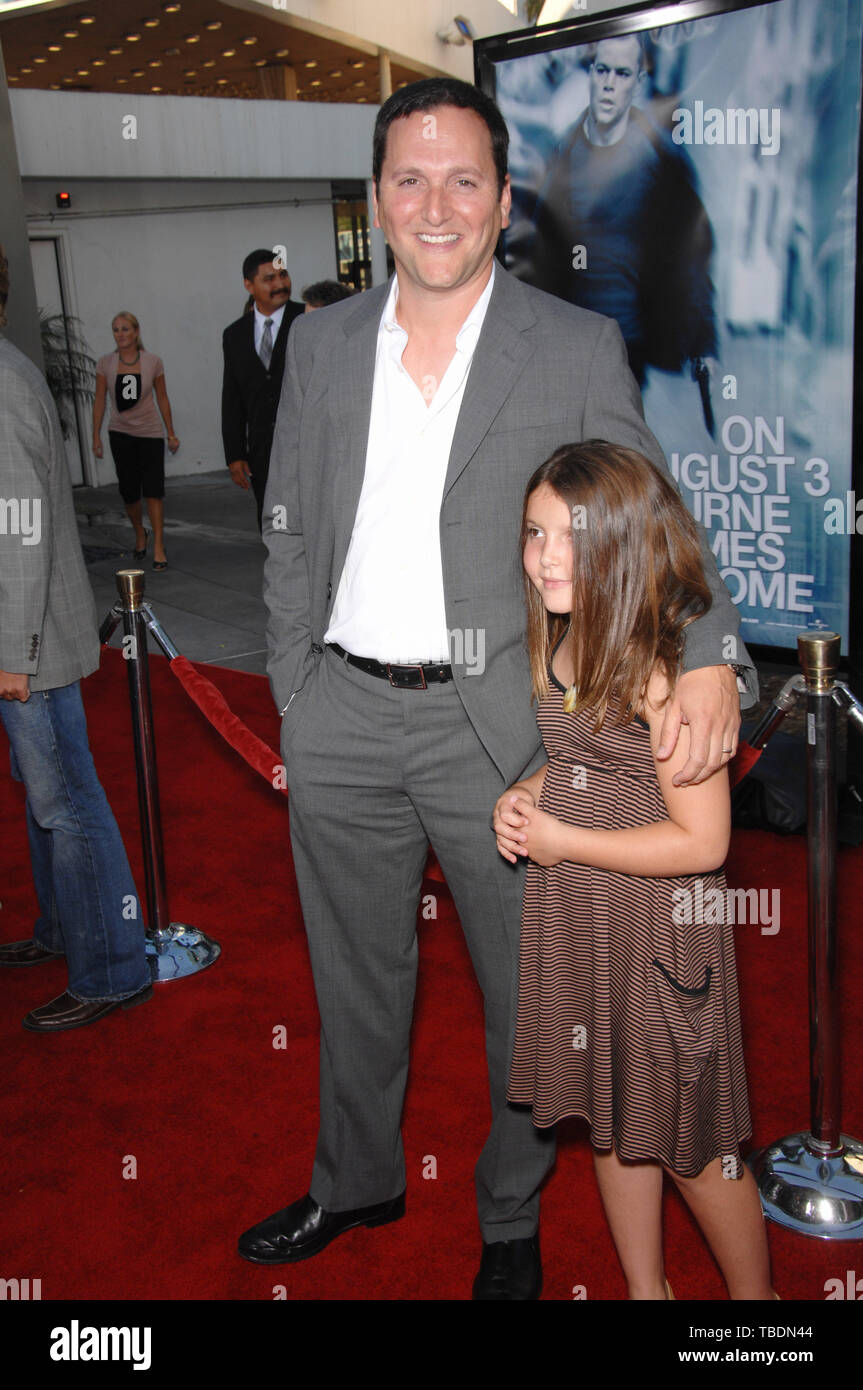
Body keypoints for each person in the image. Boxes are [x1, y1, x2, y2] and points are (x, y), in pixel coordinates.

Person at [246, 76, 754, 1300]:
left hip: (510, 734)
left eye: (461, 179)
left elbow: (653, 519)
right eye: (408, 179)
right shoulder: (315, 344)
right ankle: (354, 1176)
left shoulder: (568, 343)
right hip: (342, 718)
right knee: (353, 976)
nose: (435, 204)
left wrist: (710, 655)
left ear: (502, 199)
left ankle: (509, 1211)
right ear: (375, 199)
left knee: (529, 1000)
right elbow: (288, 532)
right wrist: (295, 694)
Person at [495, 442, 775, 1300]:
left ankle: (759, 1319)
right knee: (613, 1125)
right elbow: (587, 755)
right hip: (583, 919)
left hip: (658, 935)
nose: (546, 558)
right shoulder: (565, 625)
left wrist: (560, 841)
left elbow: (704, 845)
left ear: (622, 542)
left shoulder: (663, 667)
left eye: (571, 539)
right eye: (534, 533)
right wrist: (529, 788)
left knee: (689, 1144)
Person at [0, 246, 152, 1031]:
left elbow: (19, 531)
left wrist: (13, 656)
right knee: (45, 797)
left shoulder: (0, 382)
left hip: (26, 641)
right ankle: (65, 932)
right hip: (23, 636)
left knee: (69, 804)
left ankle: (114, 968)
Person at [523, 34, 717, 392]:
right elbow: (538, 252)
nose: (610, 84)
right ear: (592, 75)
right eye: (603, 70)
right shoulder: (563, 155)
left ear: (638, 83)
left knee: (619, 445)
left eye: (623, 74)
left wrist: (702, 339)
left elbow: (693, 250)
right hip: (571, 339)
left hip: (630, 345)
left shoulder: (660, 159)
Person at [221, 250, 304, 531]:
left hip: (306, 446)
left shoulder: (307, 319)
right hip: (263, 453)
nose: (280, 284)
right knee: (273, 524)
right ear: (249, 285)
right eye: (269, 278)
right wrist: (235, 454)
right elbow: (232, 398)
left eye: (283, 275)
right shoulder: (234, 335)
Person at [92, 311, 178, 570]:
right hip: (120, 434)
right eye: (116, 329)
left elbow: (162, 397)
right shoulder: (105, 363)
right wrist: (95, 435)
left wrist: (170, 432)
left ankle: (159, 546)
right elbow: (99, 401)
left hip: (150, 434)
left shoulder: (153, 362)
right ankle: (140, 532)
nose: (121, 334)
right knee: (130, 494)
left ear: (136, 332)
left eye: (125, 329)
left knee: (154, 492)